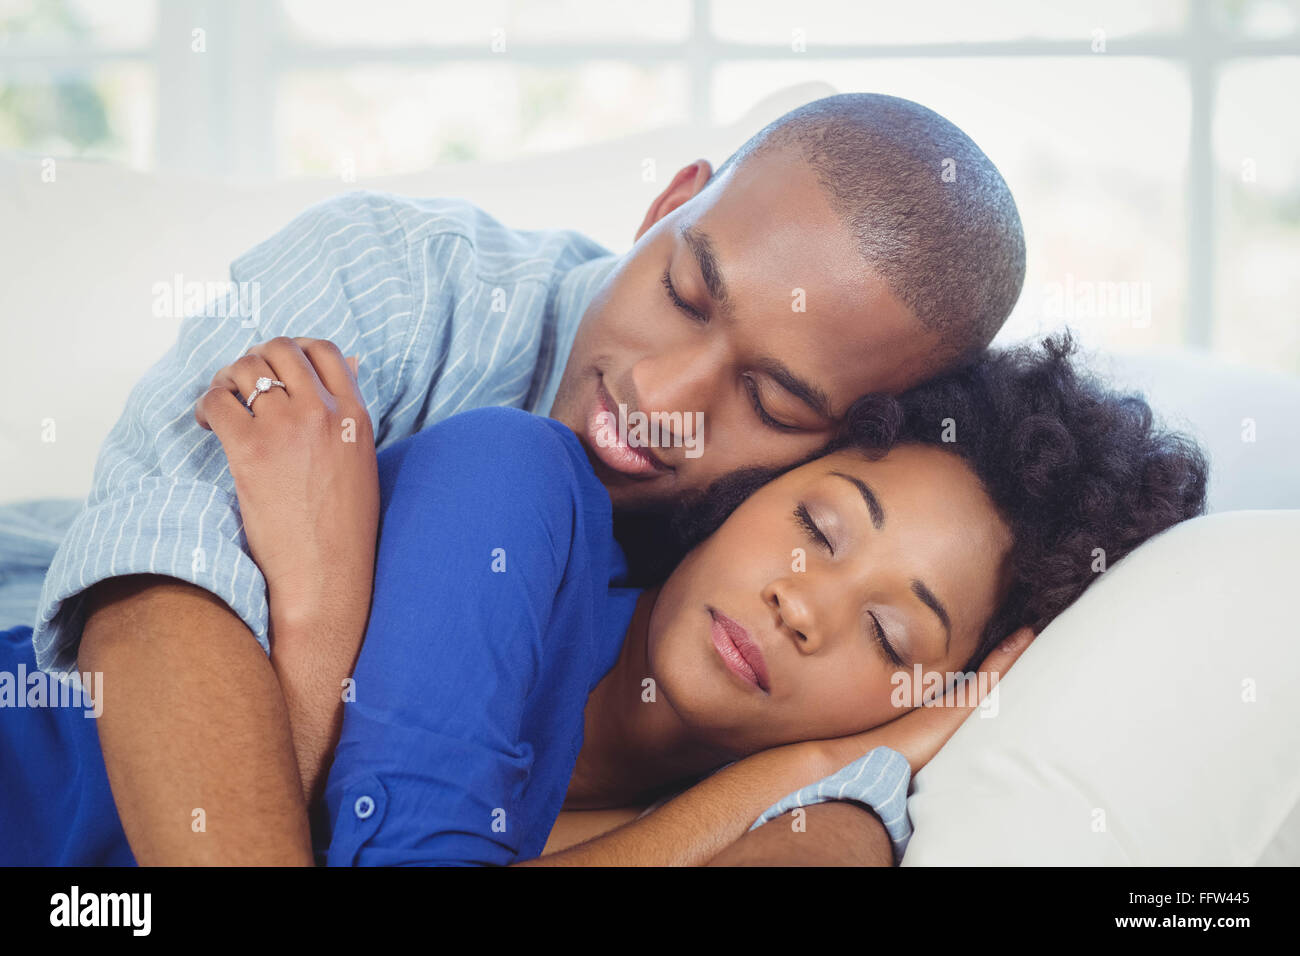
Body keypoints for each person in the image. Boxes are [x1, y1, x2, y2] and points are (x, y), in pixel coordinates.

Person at [10, 92, 1028, 864]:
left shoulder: (783, 615)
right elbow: (153, 596)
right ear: (669, 204)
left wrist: (322, 600)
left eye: (774, 401)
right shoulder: (400, 287)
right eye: (683, 292)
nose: (659, 393)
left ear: (849, 438)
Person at [0, 334, 1208, 865]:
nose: (805, 604)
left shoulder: (802, 821)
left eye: (891, 633)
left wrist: (827, 775)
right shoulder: (512, 491)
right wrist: (812, 756)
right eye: (818, 524)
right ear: (758, 484)